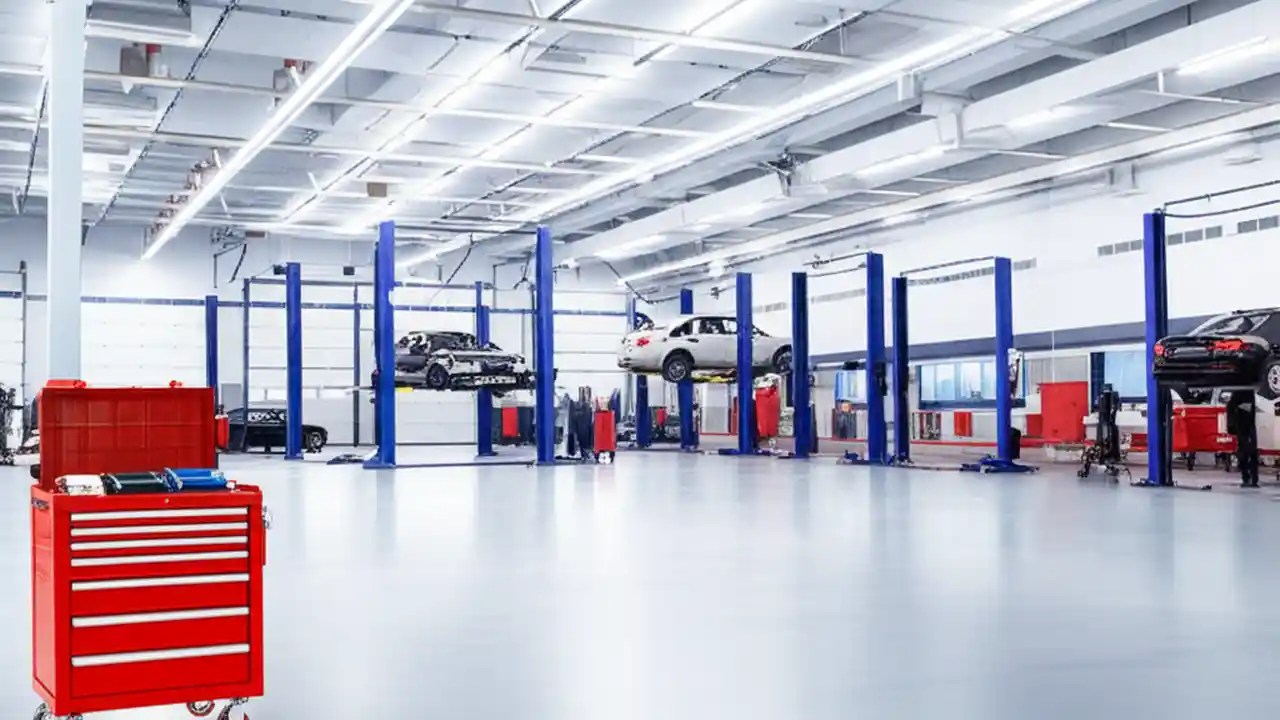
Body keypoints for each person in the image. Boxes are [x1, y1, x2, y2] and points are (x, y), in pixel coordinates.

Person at [1226, 389, 1259, 488]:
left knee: (1252, 452)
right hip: (1242, 426)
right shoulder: (1239, 392)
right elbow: (1231, 408)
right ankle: (1247, 477)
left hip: (1249, 425)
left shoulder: (1249, 392)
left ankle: (1253, 478)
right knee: (1245, 452)